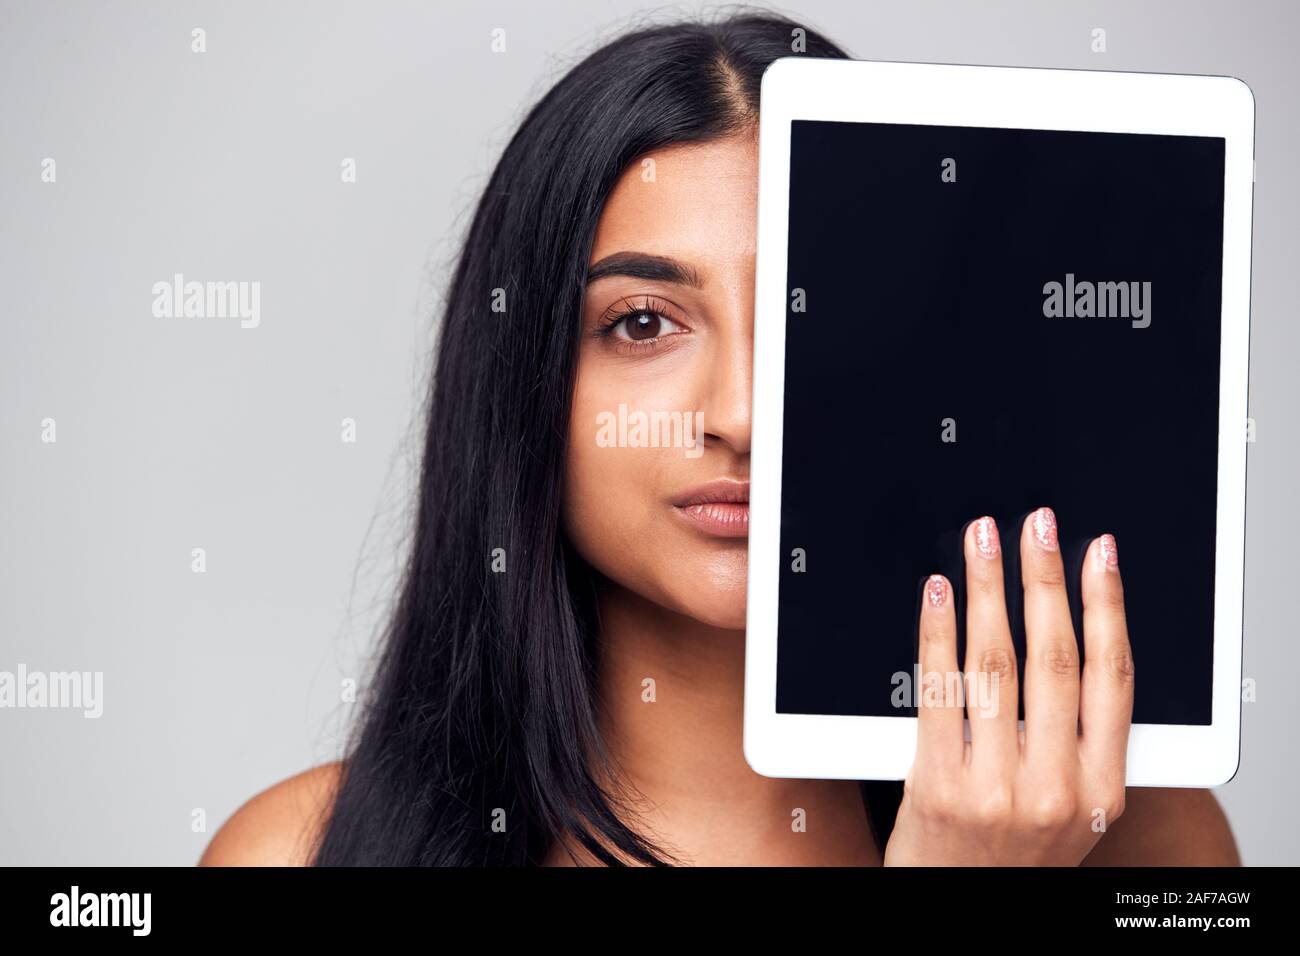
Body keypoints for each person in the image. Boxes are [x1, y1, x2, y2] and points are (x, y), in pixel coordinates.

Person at [200, 12, 1239, 866]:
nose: (741, 414)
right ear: (524, 386)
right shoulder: (296, 853)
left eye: (811, 317)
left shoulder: (1133, 832)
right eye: (641, 322)